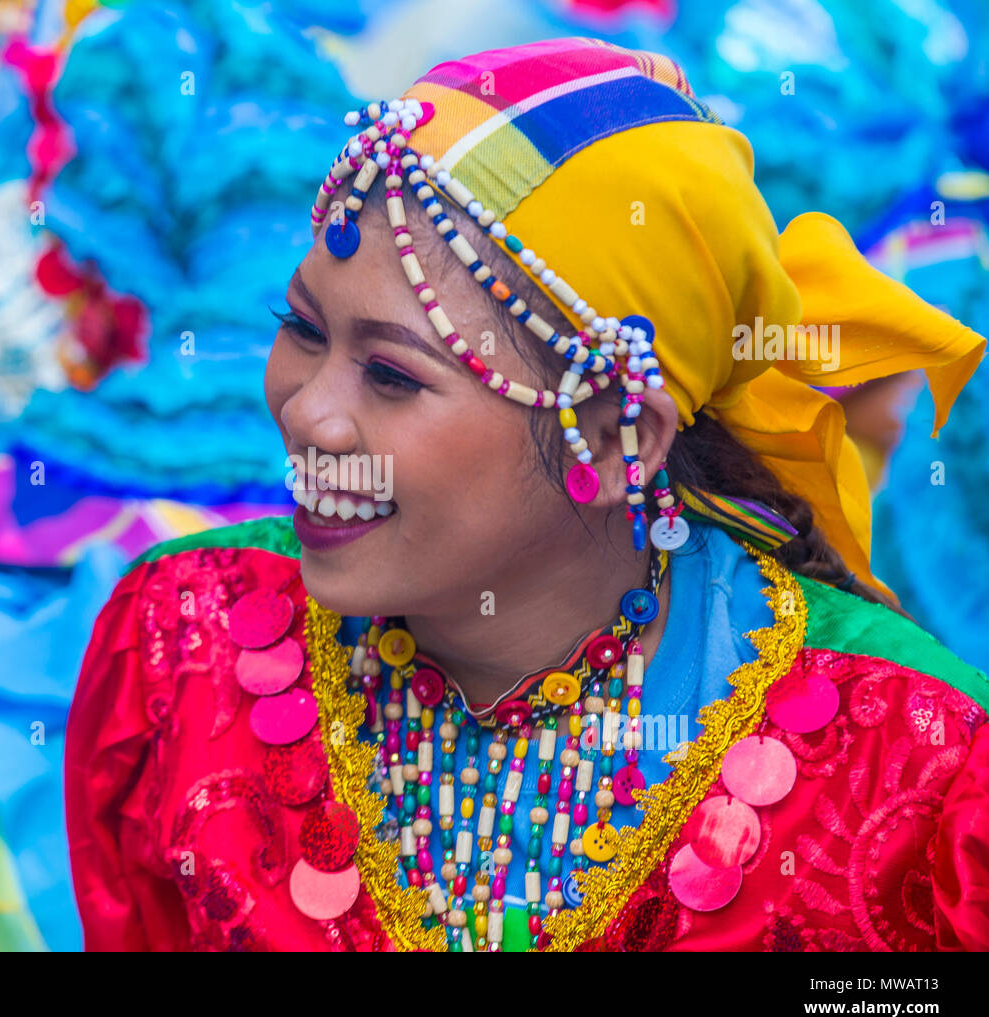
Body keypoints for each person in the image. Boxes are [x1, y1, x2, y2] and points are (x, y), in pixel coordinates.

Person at [63, 38, 989, 952]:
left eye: (391, 376)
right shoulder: (184, 643)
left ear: (615, 437)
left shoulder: (911, 768)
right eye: (302, 327)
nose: (309, 412)